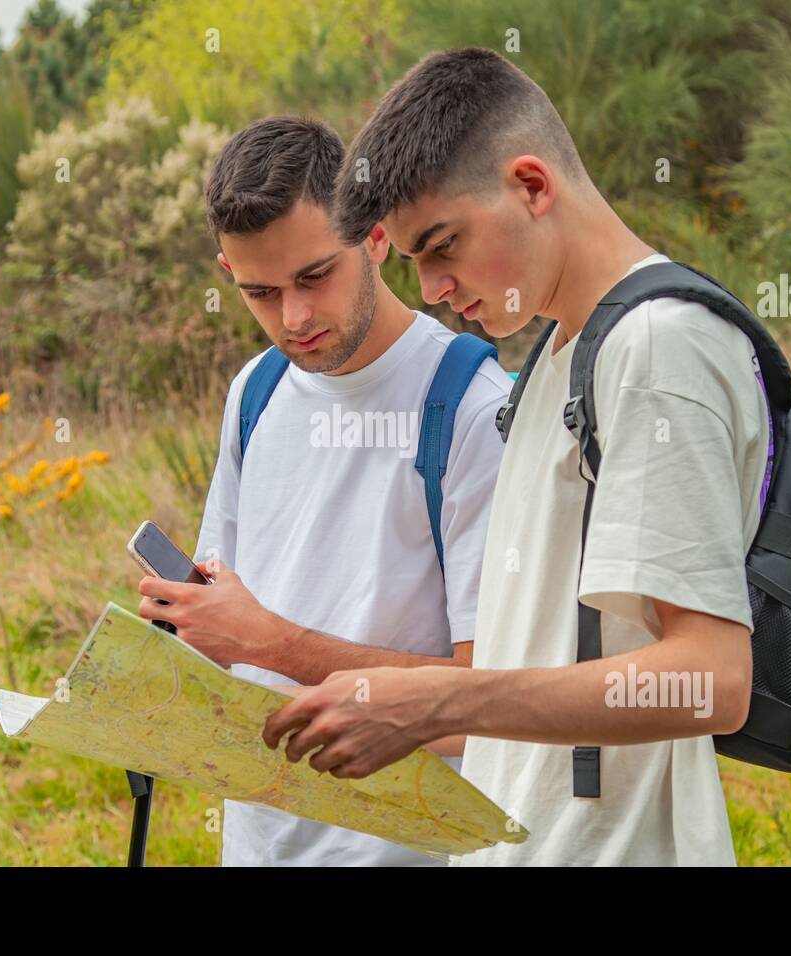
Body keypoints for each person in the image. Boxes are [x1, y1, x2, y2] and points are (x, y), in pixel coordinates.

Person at [262, 49, 767, 866]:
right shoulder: (555, 358)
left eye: (442, 245)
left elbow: (713, 680)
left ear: (532, 186)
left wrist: (440, 701)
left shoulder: (660, 347)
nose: (430, 288)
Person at [137, 115, 511, 866]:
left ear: (374, 237)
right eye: (261, 292)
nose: (294, 318)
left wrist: (267, 641)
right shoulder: (258, 389)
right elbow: (226, 630)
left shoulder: (473, 409)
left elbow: (497, 702)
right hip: (258, 841)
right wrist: (176, 632)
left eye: (314, 276)